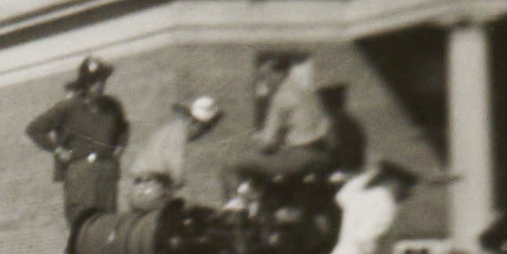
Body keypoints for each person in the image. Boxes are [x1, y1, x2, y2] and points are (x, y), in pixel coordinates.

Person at [25, 56, 129, 231]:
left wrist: (119, 148)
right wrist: (57, 150)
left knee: (109, 228)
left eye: (102, 79)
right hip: (81, 172)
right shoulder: (68, 107)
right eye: (93, 81)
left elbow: (124, 128)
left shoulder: (112, 106)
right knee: (84, 228)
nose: (99, 85)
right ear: (84, 84)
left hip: (107, 172)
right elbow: (35, 129)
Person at [231, 53, 331, 185]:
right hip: (322, 153)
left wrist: (255, 142)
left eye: (266, 76)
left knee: (235, 166)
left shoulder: (280, 97)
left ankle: (244, 198)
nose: (265, 83)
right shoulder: (307, 91)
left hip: (299, 155)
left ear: (279, 74)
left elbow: (268, 142)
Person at [125, 95, 221, 211]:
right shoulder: (178, 135)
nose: (201, 135)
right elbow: (177, 172)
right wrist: (181, 183)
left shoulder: (169, 130)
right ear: (196, 124)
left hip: (138, 189)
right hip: (152, 191)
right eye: (204, 129)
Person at [317, 83, 368, 176]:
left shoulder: (342, 123)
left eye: (326, 103)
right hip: (347, 168)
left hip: (347, 170)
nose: (323, 106)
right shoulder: (341, 121)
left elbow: (335, 150)